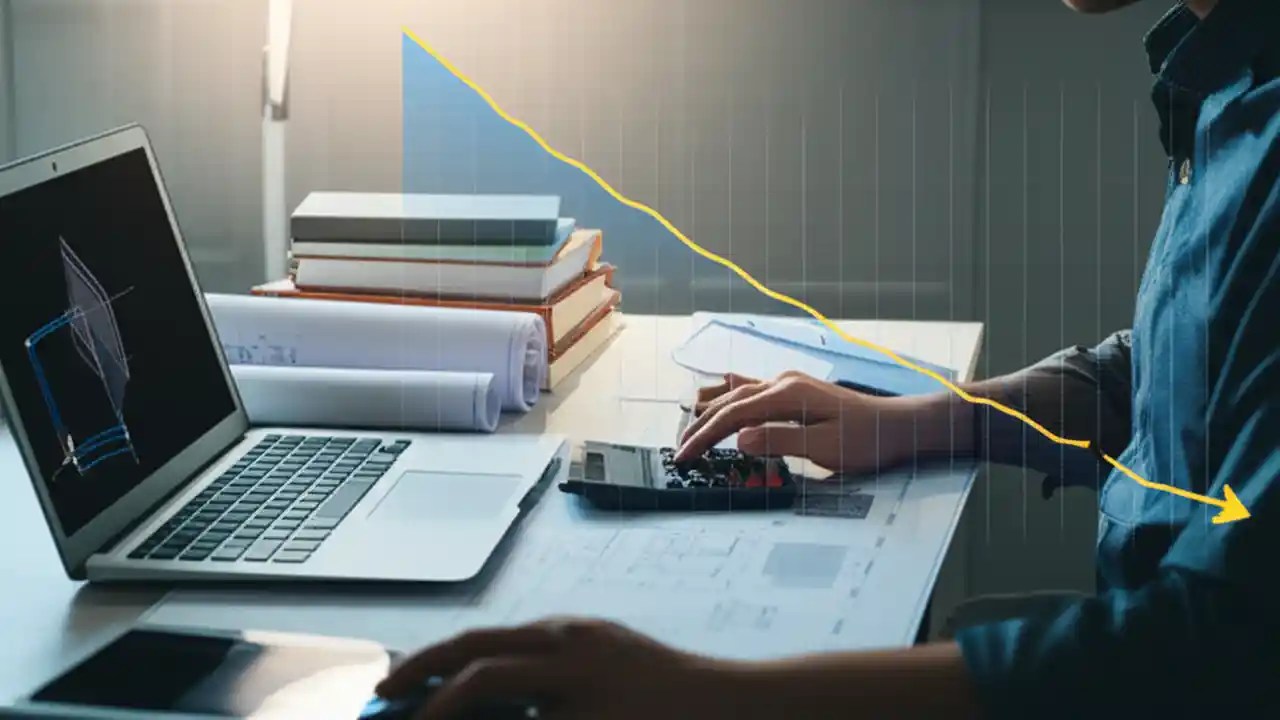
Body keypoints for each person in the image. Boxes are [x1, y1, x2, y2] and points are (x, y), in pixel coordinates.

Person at [376, 0, 1280, 717]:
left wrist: (711, 699)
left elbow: (1223, 650)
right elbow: (1170, 376)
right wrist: (920, 420)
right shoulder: (1225, 76)